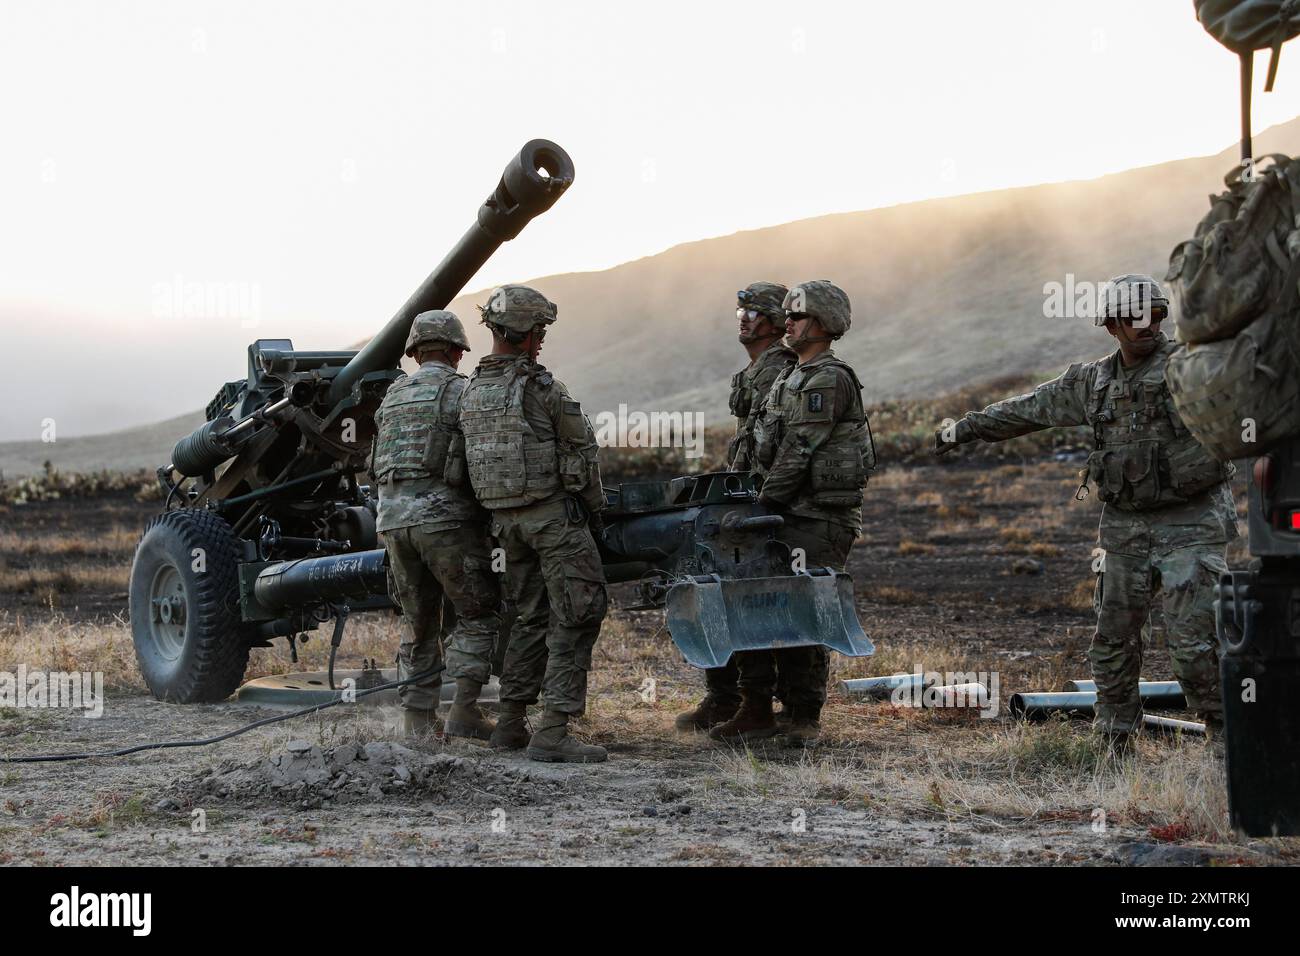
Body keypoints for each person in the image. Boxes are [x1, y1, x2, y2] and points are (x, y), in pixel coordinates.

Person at [935, 275, 1236, 750]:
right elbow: (1029, 408)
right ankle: (1114, 738)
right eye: (1136, 316)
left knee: (1196, 643)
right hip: (1124, 527)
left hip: (1193, 523)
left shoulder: (1192, 367)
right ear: (1112, 324)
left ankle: (1227, 741)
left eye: (1155, 314)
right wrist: (967, 428)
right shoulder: (1093, 382)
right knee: (1113, 639)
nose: (1148, 324)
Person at [711, 280, 874, 747]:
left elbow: (800, 450)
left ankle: (802, 716)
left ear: (822, 324)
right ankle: (756, 708)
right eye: (788, 316)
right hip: (781, 513)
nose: (790, 323)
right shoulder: (789, 376)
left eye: (798, 317)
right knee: (756, 606)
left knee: (807, 614)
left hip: (816, 515)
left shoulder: (829, 377)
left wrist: (762, 506)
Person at [459, 284, 610, 763]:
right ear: (524, 332)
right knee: (577, 614)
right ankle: (553, 732)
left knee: (528, 618)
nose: (542, 339)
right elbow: (581, 456)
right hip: (552, 521)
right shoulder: (543, 390)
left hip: (506, 526)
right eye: (539, 330)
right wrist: (595, 509)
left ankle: (509, 723)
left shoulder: (470, 393)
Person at [373, 310, 502, 740]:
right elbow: (482, 458)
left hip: (391, 521)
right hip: (445, 520)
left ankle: (417, 719)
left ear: (414, 352)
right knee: (476, 614)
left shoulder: (391, 397)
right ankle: (464, 710)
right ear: (456, 350)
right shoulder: (461, 391)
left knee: (419, 622)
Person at [675, 282, 798, 733]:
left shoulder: (782, 371)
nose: (744, 318)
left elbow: (785, 444)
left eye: (755, 312)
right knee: (719, 592)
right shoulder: (754, 372)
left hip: (769, 501)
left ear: (775, 322)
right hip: (746, 494)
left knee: (755, 602)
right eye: (740, 311)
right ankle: (725, 697)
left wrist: (766, 498)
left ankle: (763, 705)